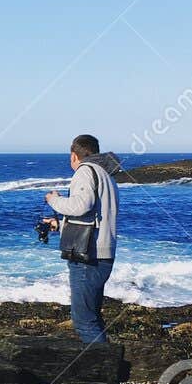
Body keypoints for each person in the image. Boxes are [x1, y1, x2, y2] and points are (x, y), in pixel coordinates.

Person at [38, 135, 123, 343]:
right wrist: (60, 225)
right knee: (93, 318)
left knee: (84, 321)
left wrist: (54, 200)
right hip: (102, 252)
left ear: (74, 155)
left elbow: (81, 206)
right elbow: (95, 216)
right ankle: (108, 360)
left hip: (88, 256)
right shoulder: (106, 176)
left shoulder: (85, 171)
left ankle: (102, 363)